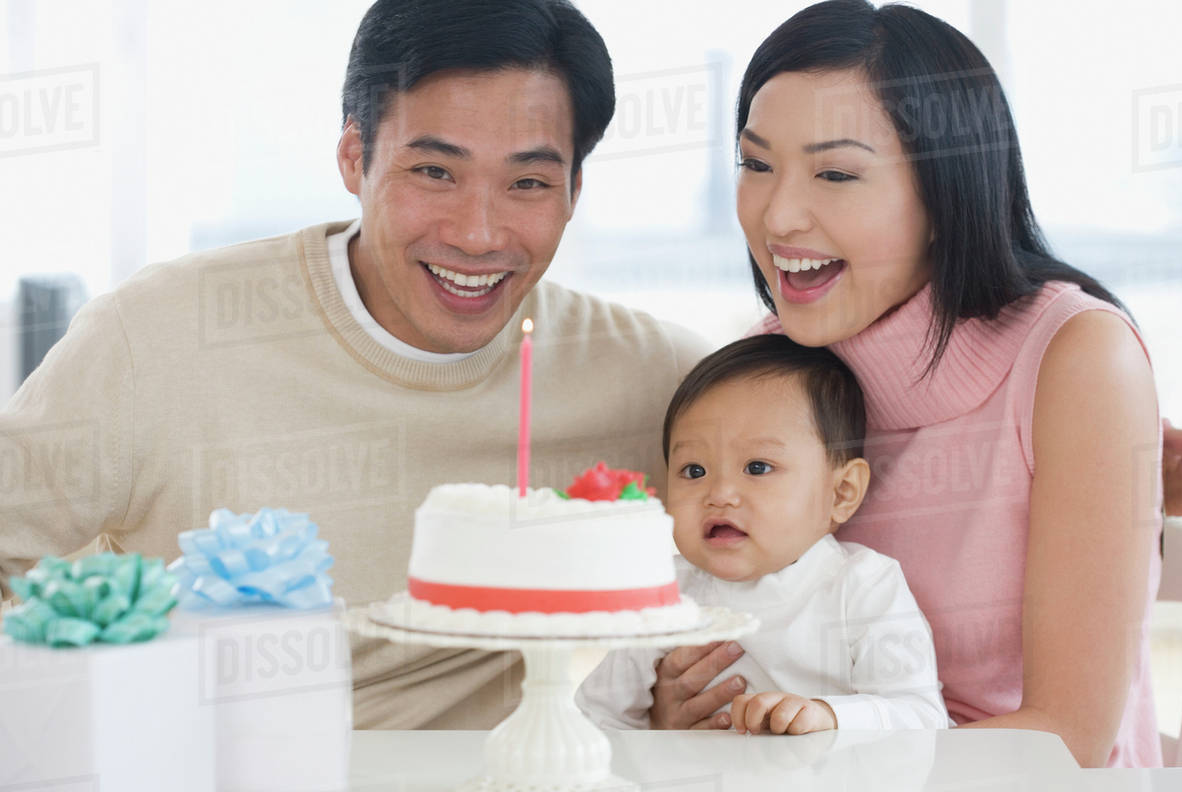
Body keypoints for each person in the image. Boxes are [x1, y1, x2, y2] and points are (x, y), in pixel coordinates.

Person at [0, 0, 709, 730]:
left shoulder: (666, 384)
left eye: (527, 182)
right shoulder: (156, 335)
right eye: (434, 170)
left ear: (574, 192)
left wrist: (659, 706)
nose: (477, 232)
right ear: (352, 157)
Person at [645, 0, 1170, 767]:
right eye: (756, 164)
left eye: (835, 172)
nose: (778, 215)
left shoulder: (1077, 358)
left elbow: (1070, 740)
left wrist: (826, 757)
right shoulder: (766, 370)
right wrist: (673, 713)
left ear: (943, 192)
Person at [575, 335, 949, 734]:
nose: (718, 495)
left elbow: (922, 718)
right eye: (694, 471)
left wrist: (828, 716)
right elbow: (596, 721)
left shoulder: (862, 586)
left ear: (840, 493)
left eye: (757, 468)